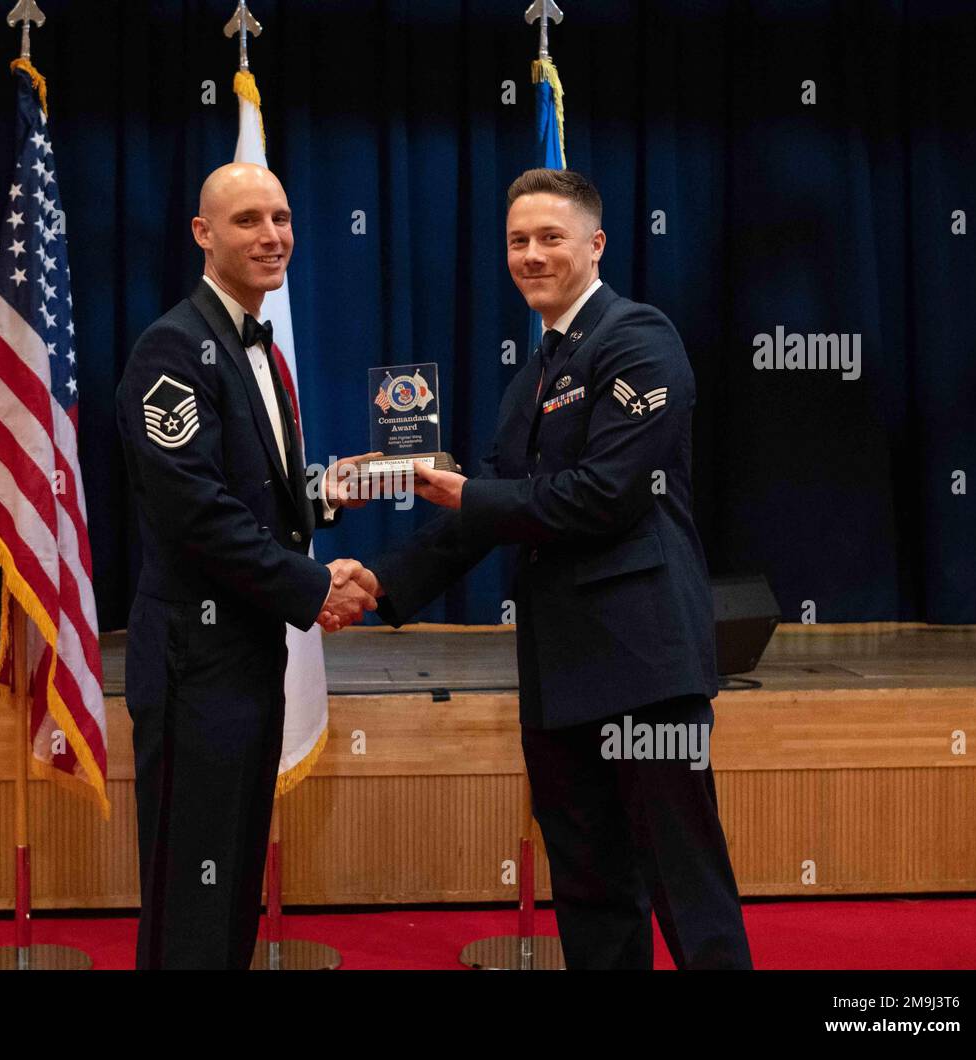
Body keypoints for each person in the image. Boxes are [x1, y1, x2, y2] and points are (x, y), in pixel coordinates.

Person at [368, 168, 753, 969]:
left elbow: (604, 497)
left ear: (596, 244)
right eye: (518, 241)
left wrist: (469, 490)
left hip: (644, 665)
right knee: (589, 887)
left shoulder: (639, 339)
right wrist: (379, 585)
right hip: (561, 675)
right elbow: (481, 511)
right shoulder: (532, 376)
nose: (532, 254)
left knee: (687, 882)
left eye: (550, 237)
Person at [115, 162, 377, 969]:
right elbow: (196, 514)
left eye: (282, 218)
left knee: (227, 885)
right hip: (195, 663)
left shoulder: (251, 343)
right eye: (248, 221)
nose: (272, 236)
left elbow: (249, 491)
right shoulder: (174, 347)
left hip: (244, 655)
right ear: (203, 234)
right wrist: (311, 584)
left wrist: (326, 496)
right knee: (192, 895)